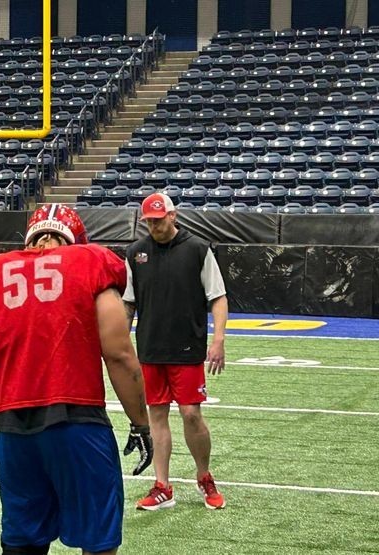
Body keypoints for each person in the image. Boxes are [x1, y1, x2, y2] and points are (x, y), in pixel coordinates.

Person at [0, 204, 152, 555]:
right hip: (77, 422)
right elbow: (120, 355)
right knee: (97, 541)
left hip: (12, 430)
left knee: (23, 542)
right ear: (76, 239)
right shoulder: (92, 261)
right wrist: (141, 423)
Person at [124, 192, 228, 511]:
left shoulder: (197, 249)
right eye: (150, 221)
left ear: (173, 215)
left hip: (187, 348)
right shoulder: (135, 253)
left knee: (191, 414)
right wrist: (121, 344)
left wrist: (219, 339)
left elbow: (218, 297)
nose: (154, 226)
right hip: (151, 349)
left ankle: (204, 476)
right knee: (157, 415)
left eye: (159, 219)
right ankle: (162, 486)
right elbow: (128, 303)